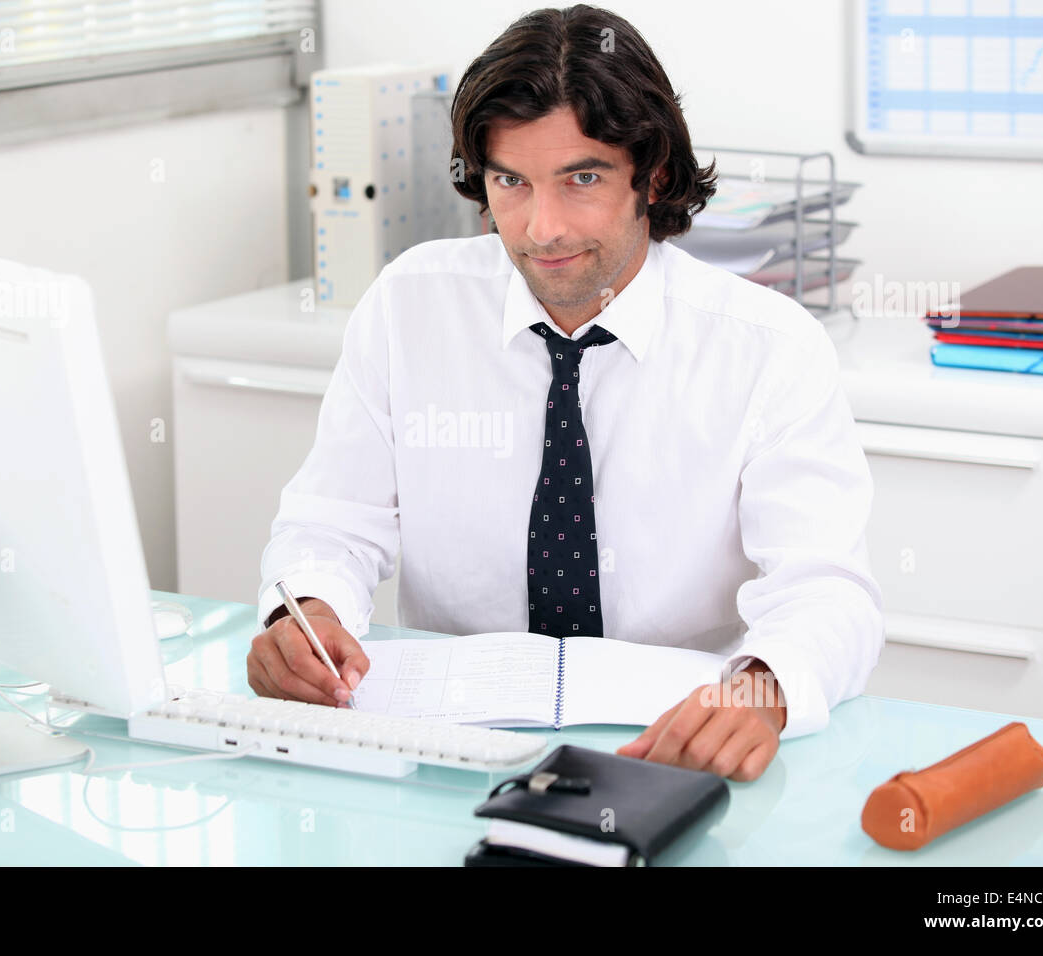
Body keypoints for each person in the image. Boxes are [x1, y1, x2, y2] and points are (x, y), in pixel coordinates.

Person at [247, 4, 883, 782]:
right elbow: (331, 524)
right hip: (452, 754)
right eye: (511, 182)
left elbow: (826, 591)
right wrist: (305, 609)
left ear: (651, 173)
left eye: (580, 179)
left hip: (669, 753)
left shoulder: (768, 350)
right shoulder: (408, 307)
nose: (541, 228)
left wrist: (760, 690)